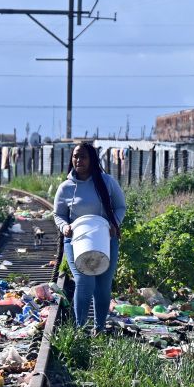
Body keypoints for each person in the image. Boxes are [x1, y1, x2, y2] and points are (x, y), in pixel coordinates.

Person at [53, 142, 126, 333]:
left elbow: (120, 206)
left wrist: (114, 224)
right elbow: (58, 214)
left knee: (102, 285)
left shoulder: (107, 182)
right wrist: (64, 226)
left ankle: (99, 328)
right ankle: (80, 329)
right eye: (76, 156)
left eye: (83, 156)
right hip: (76, 241)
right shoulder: (66, 188)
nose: (79, 160)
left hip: (106, 239)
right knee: (85, 281)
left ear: (92, 159)